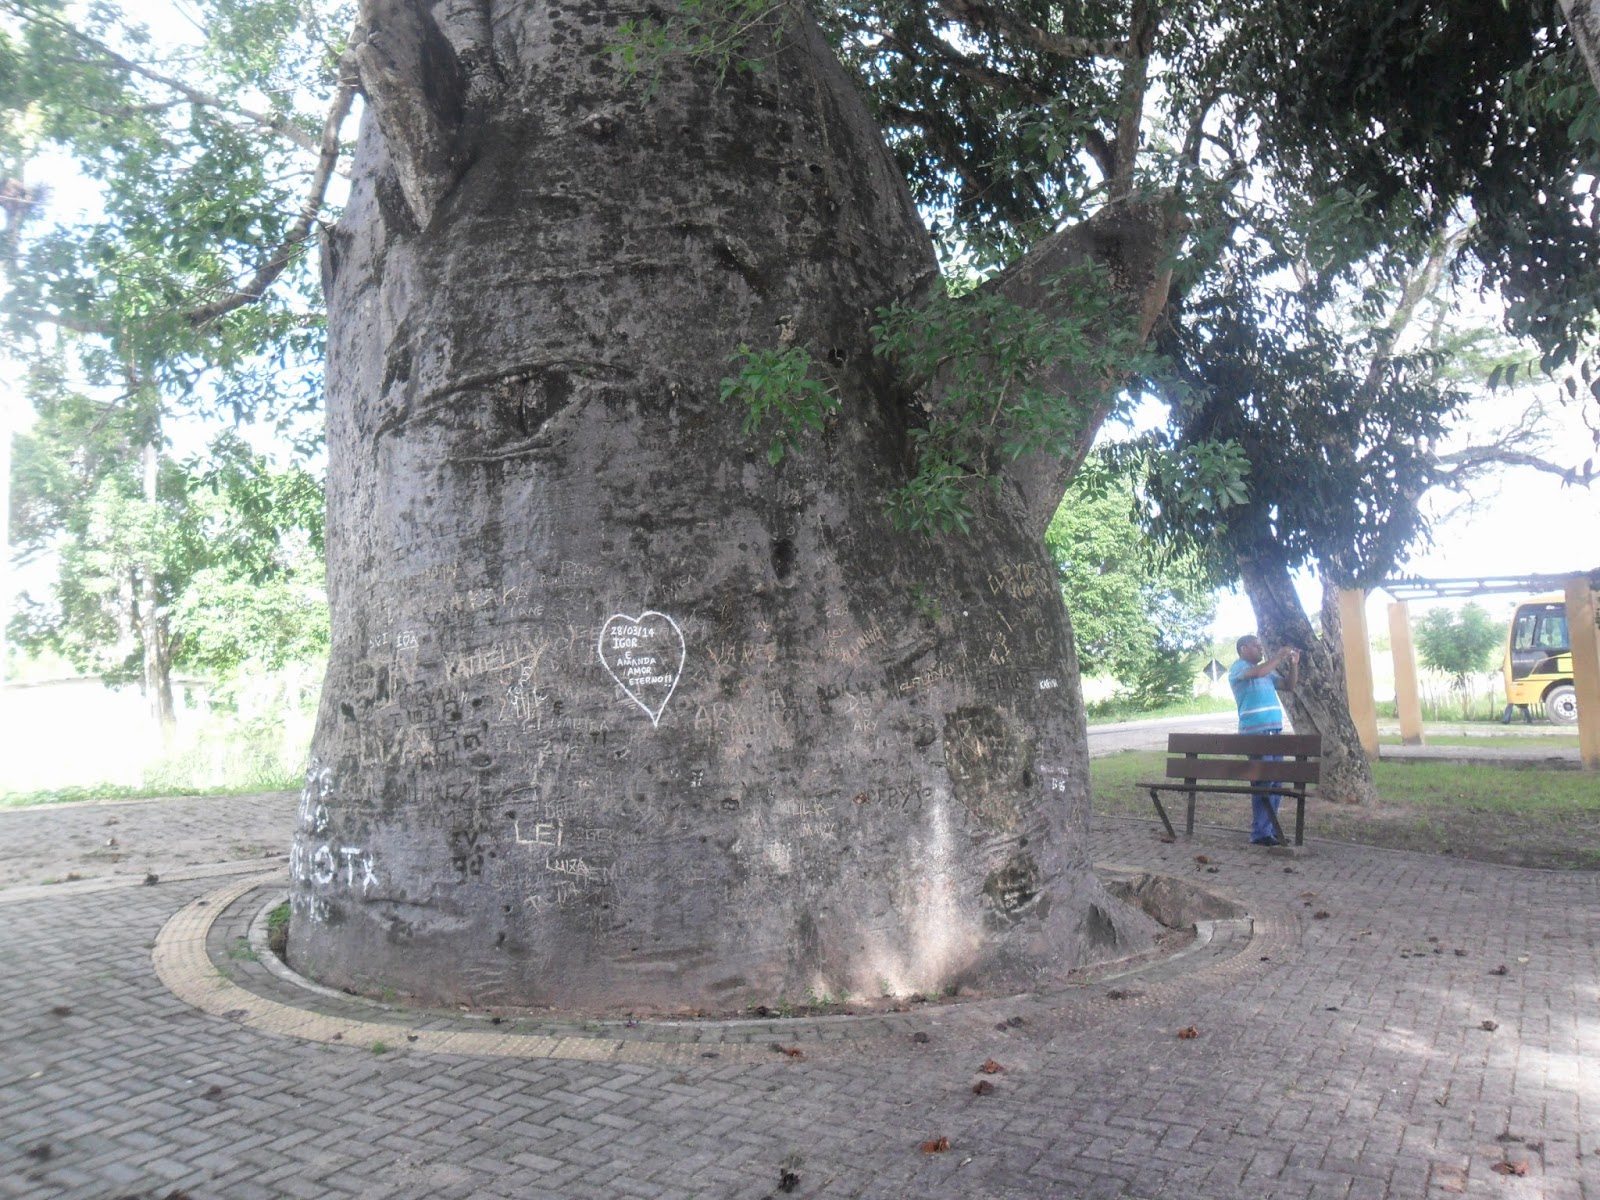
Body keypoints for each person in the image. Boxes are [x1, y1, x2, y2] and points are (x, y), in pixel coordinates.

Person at [1228, 635, 1300, 846]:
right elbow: (1258, 672)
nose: (1261, 649)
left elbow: (1289, 685)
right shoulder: (1239, 668)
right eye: (1256, 646)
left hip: (1274, 733)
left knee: (1276, 782)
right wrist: (1278, 656)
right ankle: (1260, 832)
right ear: (1243, 649)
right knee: (1263, 782)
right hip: (1256, 735)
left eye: (1261, 646)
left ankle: (1270, 828)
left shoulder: (1266, 671)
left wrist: (1293, 665)